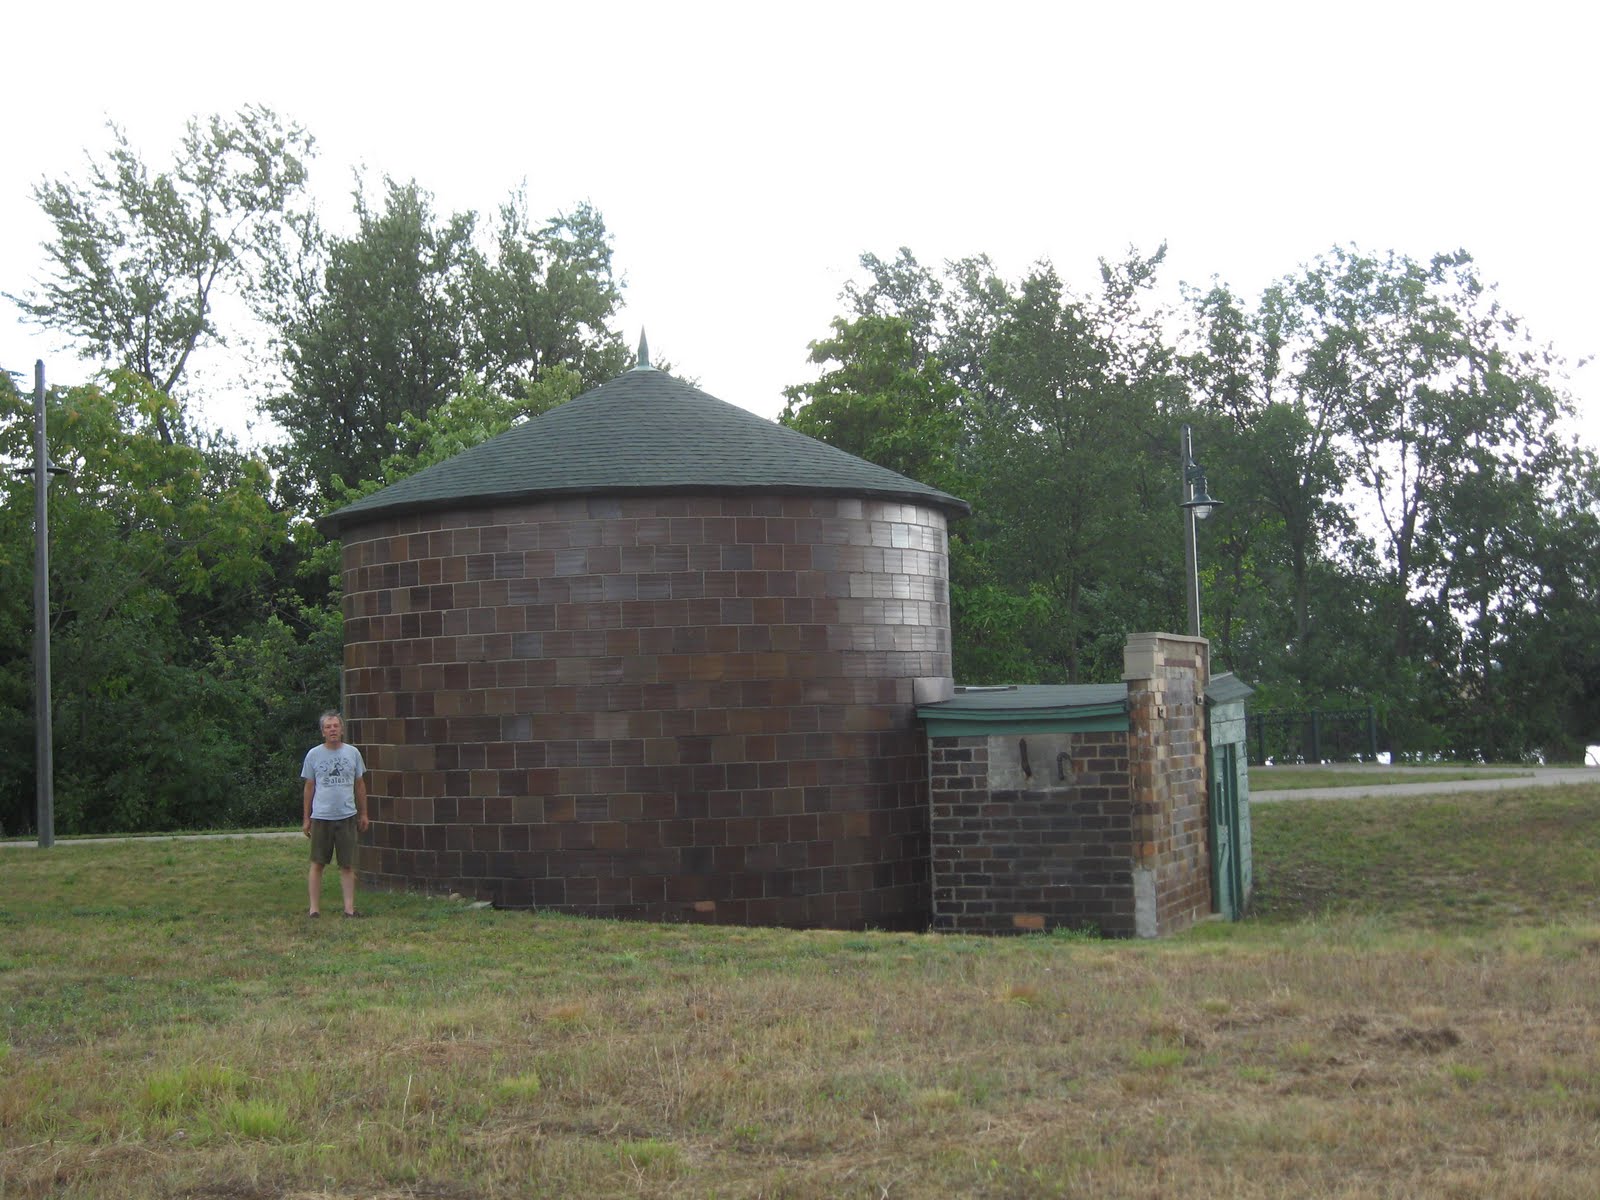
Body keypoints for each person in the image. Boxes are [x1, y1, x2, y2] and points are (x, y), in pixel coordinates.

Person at [301, 709, 370, 917]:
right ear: (323, 731)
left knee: (347, 865)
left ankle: (349, 909)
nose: (332, 730)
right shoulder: (314, 754)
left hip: (347, 815)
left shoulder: (352, 753)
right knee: (317, 863)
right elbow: (309, 787)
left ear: (341, 729)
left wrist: (364, 813)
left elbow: (360, 785)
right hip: (321, 816)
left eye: (335, 726)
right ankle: (314, 909)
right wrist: (306, 818)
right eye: (328, 727)